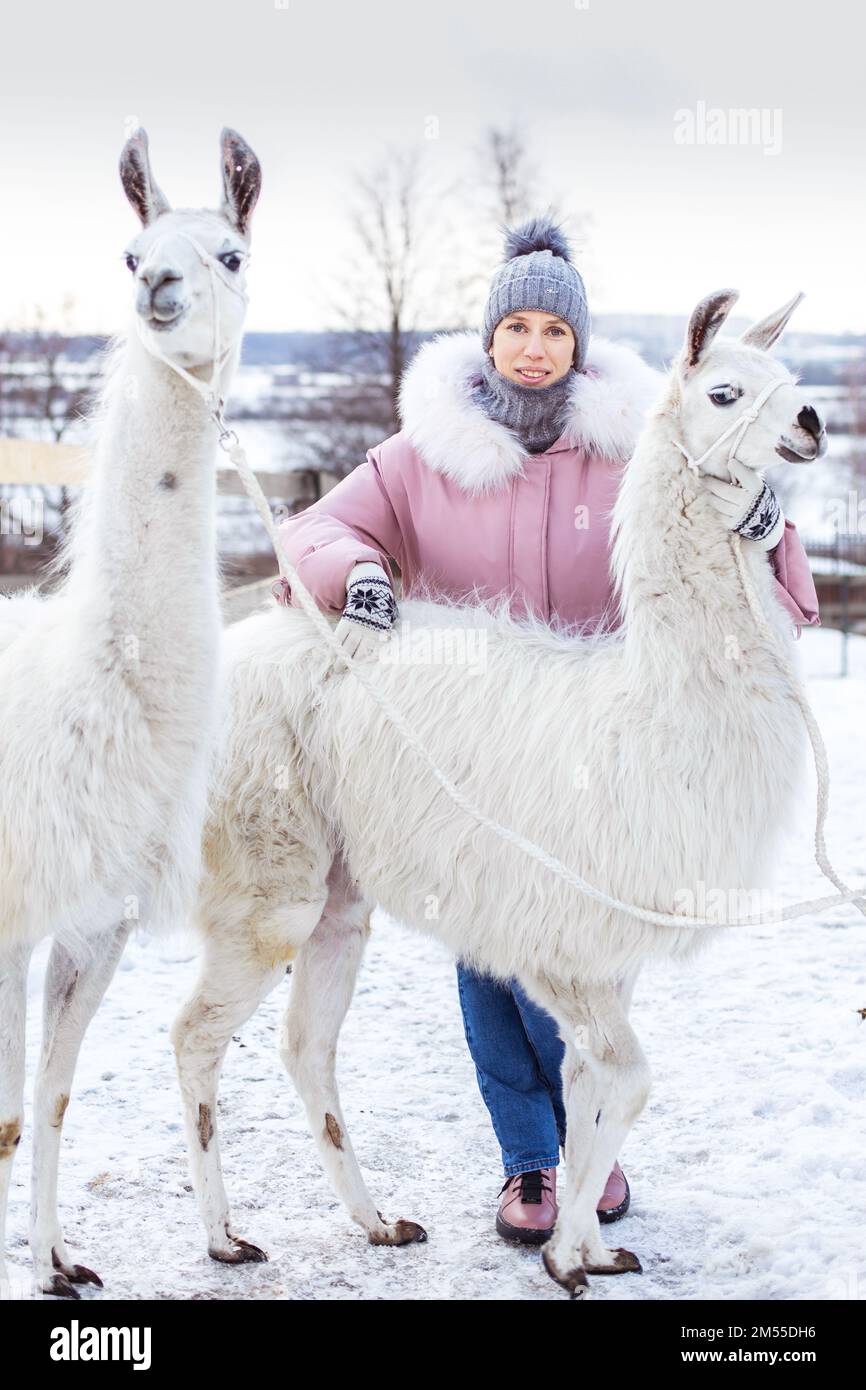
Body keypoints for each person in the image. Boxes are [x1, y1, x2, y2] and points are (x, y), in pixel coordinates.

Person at [272, 217, 819, 1244]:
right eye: (515, 325)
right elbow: (317, 528)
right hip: (472, 749)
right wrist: (353, 577)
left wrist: (765, 527)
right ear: (489, 339)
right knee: (487, 958)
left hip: (596, 744)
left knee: (587, 960)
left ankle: (589, 1147)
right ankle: (528, 1161)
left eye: (552, 331)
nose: (532, 345)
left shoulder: (627, 447)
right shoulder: (418, 457)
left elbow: (730, 527)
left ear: (577, 344)